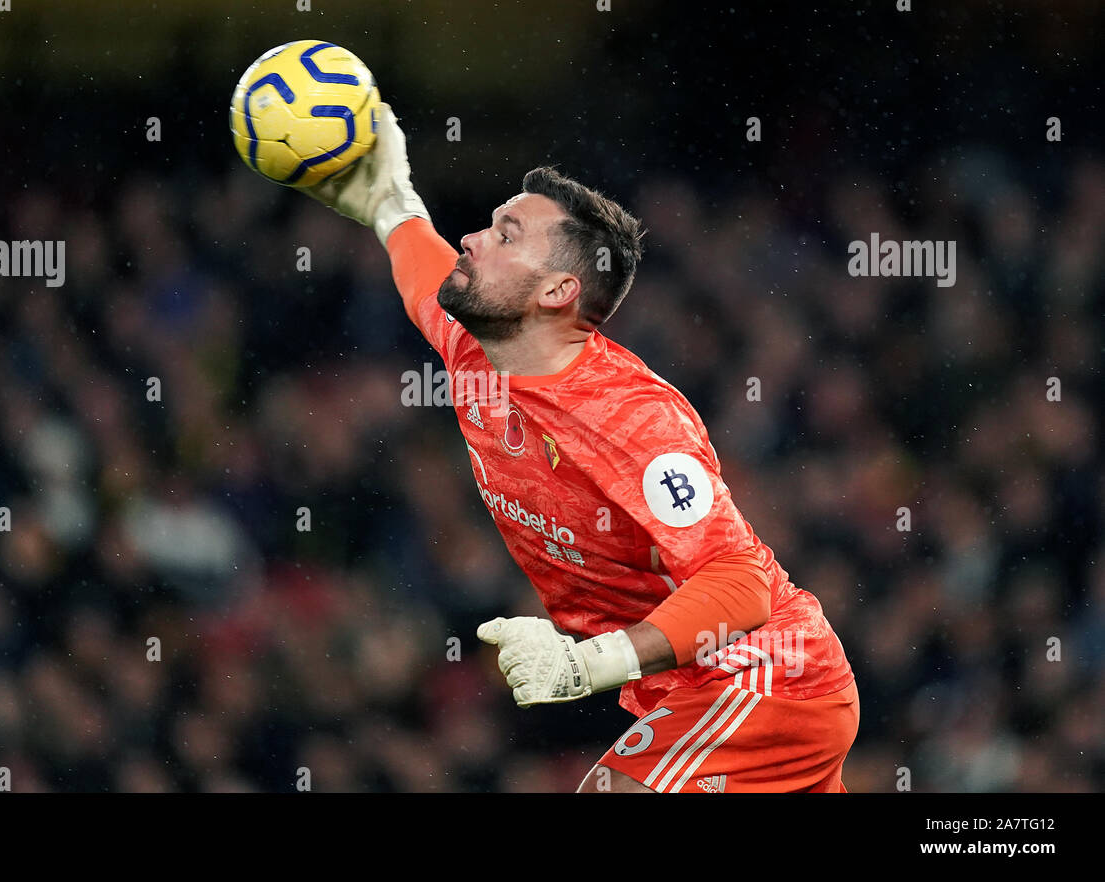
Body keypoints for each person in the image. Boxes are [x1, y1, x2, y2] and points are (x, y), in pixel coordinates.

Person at [296, 103, 859, 793]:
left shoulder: (631, 417)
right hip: (683, 695)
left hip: (765, 678)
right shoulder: (477, 350)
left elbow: (739, 585)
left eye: (505, 236)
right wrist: (390, 202)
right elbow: (426, 276)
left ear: (559, 291)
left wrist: (583, 667)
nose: (472, 237)